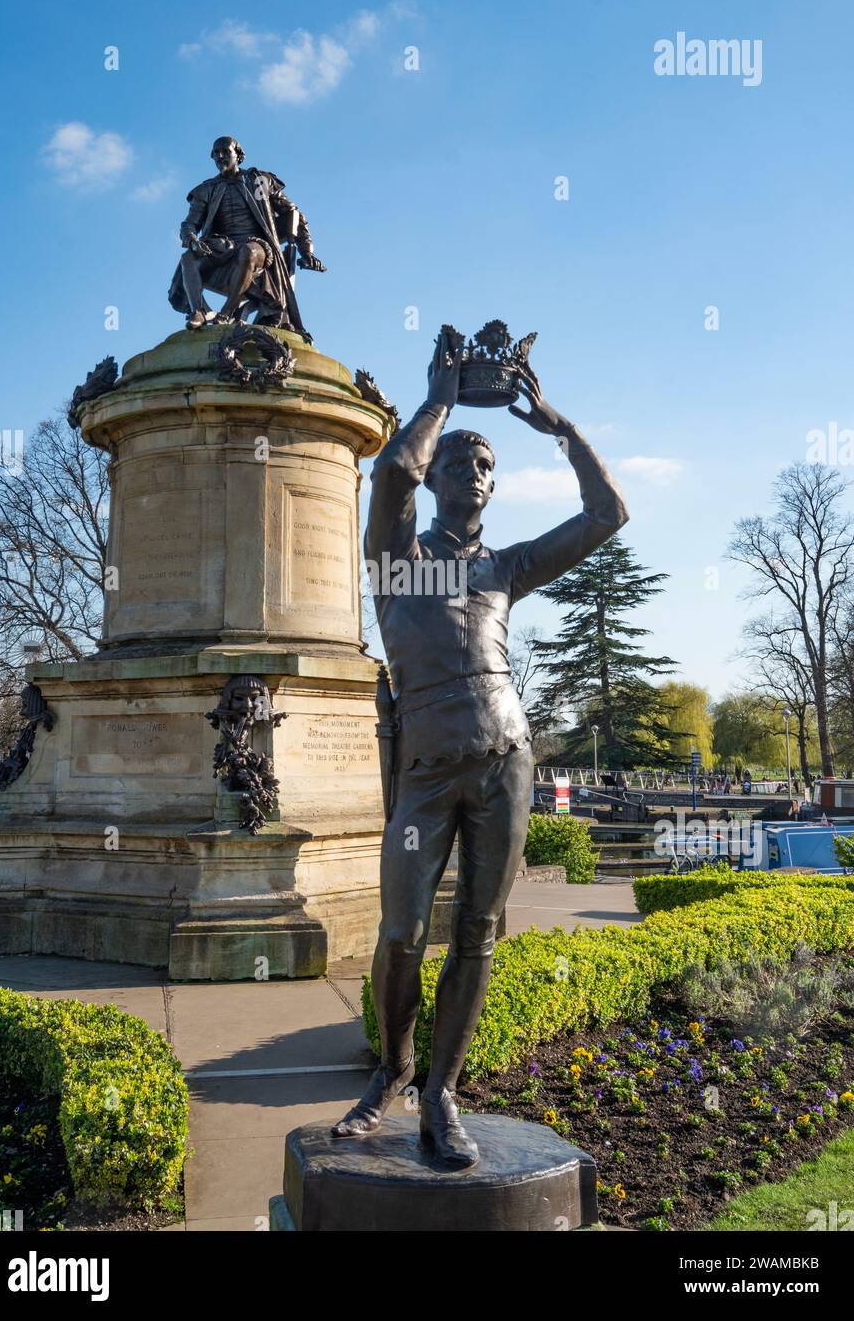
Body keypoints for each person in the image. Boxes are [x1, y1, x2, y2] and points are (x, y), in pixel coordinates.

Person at [331, 329, 628, 1167]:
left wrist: (558, 426)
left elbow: (607, 516)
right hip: (424, 770)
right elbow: (391, 473)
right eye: (458, 461)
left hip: (506, 761)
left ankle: (441, 1093)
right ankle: (391, 1070)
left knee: (479, 932)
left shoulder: (506, 567)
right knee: (400, 932)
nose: (472, 471)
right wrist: (441, 398)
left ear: (495, 486)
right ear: (438, 478)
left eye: (485, 464)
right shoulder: (397, 560)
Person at [168, 136, 326, 336]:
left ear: (238, 155)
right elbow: (189, 223)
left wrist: (307, 251)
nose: (220, 156)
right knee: (187, 258)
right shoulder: (206, 189)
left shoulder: (258, 181)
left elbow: (292, 213)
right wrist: (192, 240)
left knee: (248, 251)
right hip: (223, 246)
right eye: (216, 153)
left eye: (225, 151)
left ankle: (226, 312)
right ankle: (198, 312)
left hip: (257, 245)